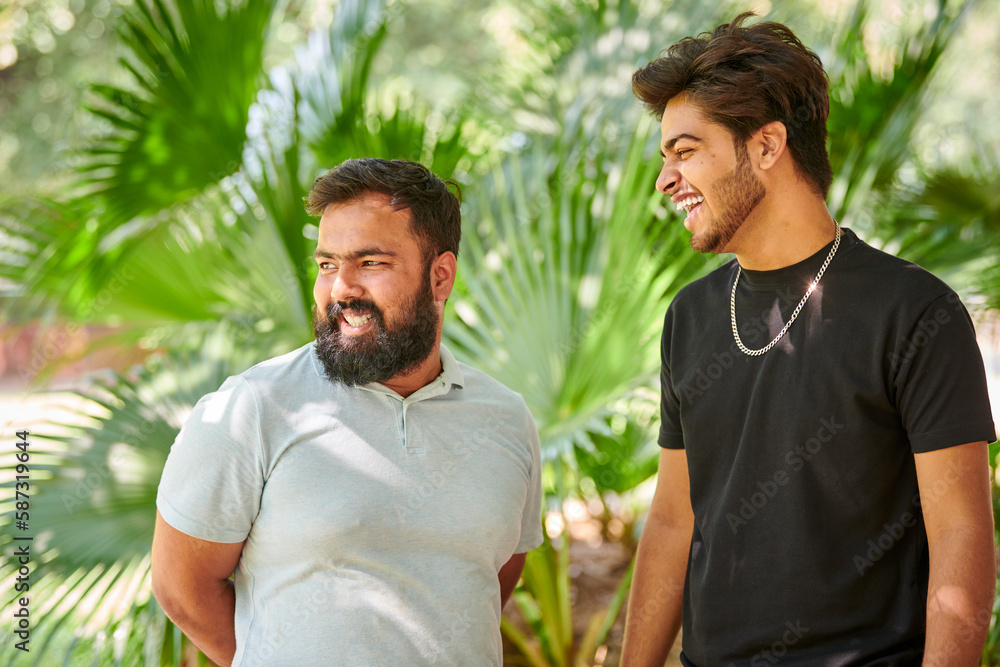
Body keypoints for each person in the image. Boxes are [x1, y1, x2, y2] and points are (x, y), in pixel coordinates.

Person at [621, 13, 996, 667]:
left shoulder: (914, 311)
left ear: (766, 146)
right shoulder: (690, 314)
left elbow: (961, 533)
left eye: (685, 151)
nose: (665, 179)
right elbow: (675, 520)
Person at [151, 158, 543, 666]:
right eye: (327, 264)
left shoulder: (506, 419)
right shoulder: (251, 407)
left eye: (371, 263)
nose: (341, 288)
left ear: (440, 276)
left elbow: (486, 581)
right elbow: (182, 589)